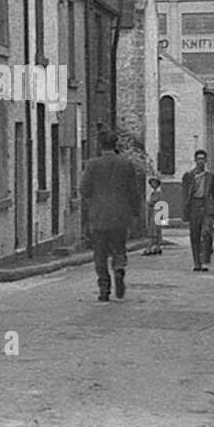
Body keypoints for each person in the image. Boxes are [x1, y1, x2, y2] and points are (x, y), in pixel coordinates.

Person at [80, 128, 142, 301]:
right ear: (116, 145)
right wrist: (135, 213)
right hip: (120, 216)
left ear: (101, 146)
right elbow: (134, 192)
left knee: (100, 254)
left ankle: (104, 290)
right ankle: (119, 268)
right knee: (118, 248)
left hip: (98, 216)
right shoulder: (126, 164)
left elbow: (84, 189)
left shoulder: (92, 165)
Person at [180, 149, 214, 272]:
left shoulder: (210, 176)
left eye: (203, 158)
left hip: (206, 205)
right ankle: (197, 262)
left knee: (206, 232)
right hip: (194, 205)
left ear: (206, 160)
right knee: (195, 234)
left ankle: (204, 260)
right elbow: (185, 193)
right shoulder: (189, 176)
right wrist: (185, 210)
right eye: (199, 159)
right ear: (195, 160)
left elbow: (213, 193)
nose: (201, 161)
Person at [143, 177, 165, 255]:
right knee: (156, 230)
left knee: (154, 230)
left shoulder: (158, 192)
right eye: (152, 183)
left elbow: (155, 202)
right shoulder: (153, 192)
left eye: (154, 183)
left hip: (157, 212)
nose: (153, 184)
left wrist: (150, 203)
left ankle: (150, 247)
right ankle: (157, 247)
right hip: (155, 211)